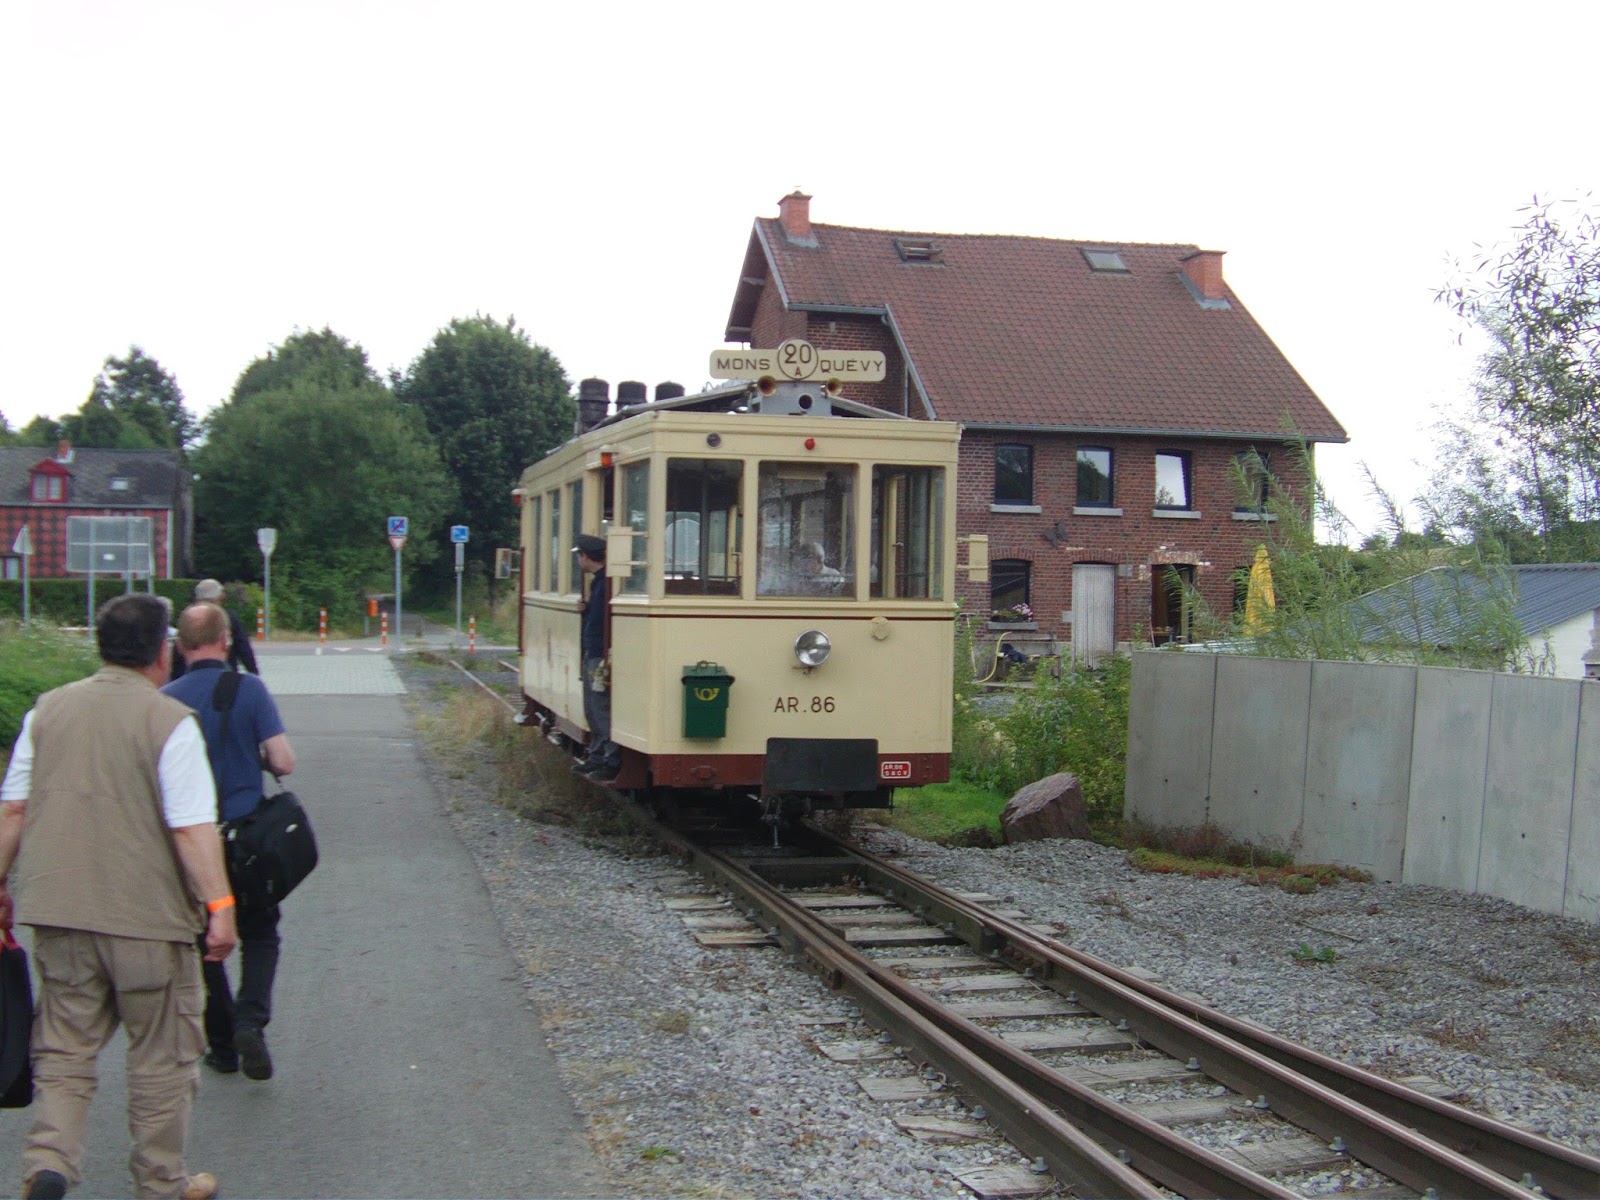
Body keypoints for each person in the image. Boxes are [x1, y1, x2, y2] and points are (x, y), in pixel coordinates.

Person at [0, 593, 237, 1200]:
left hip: (60, 915)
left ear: (100, 647)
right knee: (163, 1057)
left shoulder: (47, 712)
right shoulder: (168, 723)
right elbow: (191, 827)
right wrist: (220, 908)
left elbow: (14, 810)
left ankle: (48, 1166)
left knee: (64, 1049)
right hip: (148, 923)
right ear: (164, 653)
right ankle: (162, 1182)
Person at [161, 604, 295, 1083]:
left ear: (180, 646)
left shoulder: (165, 698)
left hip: (193, 843)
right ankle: (250, 1020)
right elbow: (283, 761)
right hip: (247, 839)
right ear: (226, 640)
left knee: (204, 943)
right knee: (260, 932)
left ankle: (220, 1046)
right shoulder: (250, 689)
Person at [571, 534, 622, 783]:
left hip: (600, 655)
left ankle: (610, 760)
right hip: (594, 652)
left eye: (579, 555)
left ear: (585, 556)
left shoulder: (607, 583)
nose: (578, 560)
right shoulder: (601, 583)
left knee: (600, 708)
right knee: (593, 708)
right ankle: (597, 756)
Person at [168, 580, 257, 683]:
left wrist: (174, 680)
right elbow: (243, 647)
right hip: (225, 680)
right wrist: (254, 673)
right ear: (219, 597)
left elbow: (176, 655)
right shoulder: (229, 619)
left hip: (188, 678)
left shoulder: (187, 617)